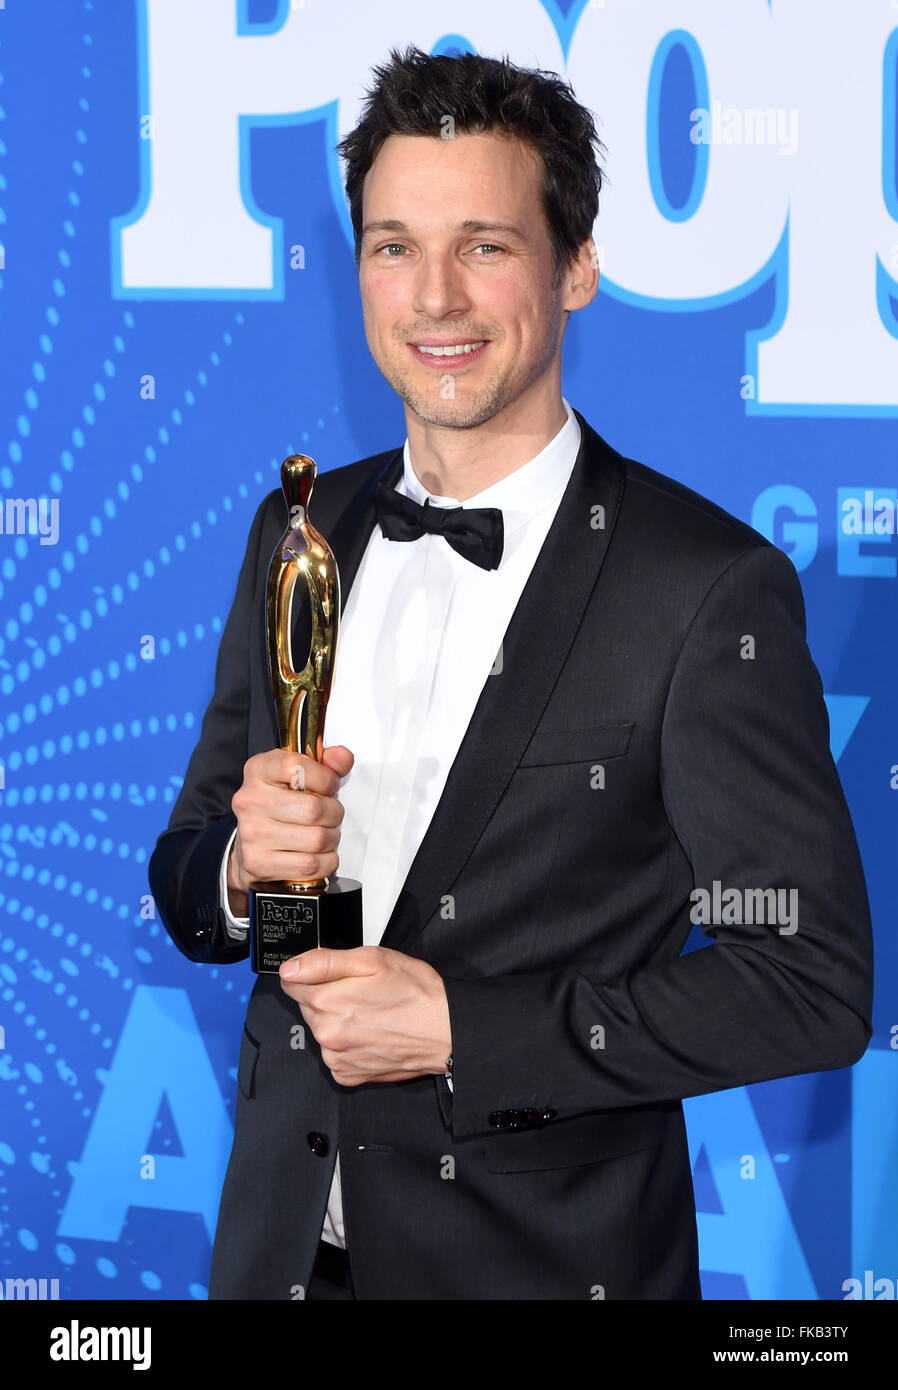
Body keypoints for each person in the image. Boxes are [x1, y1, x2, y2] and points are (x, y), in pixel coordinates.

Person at [149, 46, 873, 1301]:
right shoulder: (298, 531)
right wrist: (236, 865)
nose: (434, 296)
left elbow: (805, 983)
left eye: (483, 244)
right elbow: (191, 873)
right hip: (275, 1258)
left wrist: (464, 1034)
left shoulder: (702, 589)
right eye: (392, 246)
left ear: (574, 268)